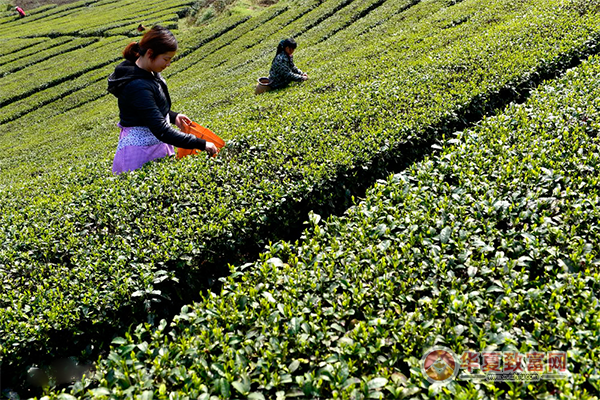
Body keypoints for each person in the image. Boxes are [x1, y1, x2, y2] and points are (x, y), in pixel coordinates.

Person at [107, 25, 217, 174]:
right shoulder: (137, 86)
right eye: (166, 59)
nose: (168, 64)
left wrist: (173, 116)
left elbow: (149, 109)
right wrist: (201, 144)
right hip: (140, 153)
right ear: (150, 53)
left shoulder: (149, 72)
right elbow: (161, 130)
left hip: (155, 146)